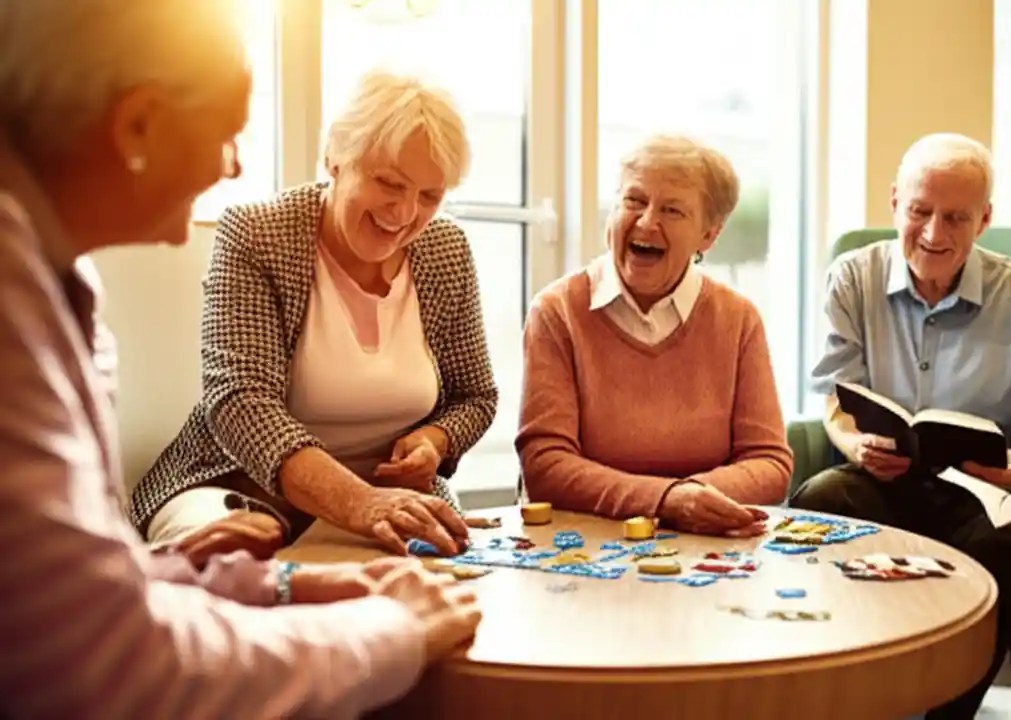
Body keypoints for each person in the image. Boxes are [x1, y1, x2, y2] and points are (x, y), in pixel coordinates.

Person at [0, 1, 479, 717]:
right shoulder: (16, 290)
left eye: (429, 195)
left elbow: (67, 589)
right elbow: (103, 660)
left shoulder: (48, 263)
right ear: (139, 127)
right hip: (239, 484)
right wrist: (392, 630)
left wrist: (261, 583)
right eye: (227, 134)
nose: (235, 163)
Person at [128, 69, 498, 558]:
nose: (405, 213)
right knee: (236, 557)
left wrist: (435, 440)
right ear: (335, 158)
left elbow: (476, 396)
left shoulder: (445, 249)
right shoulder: (257, 233)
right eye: (389, 182)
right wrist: (358, 502)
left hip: (389, 503)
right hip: (237, 486)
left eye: (430, 196)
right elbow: (239, 400)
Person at [792, 133, 1011, 718]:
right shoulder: (853, 277)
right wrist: (856, 445)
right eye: (919, 211)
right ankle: (837, 699)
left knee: (1001, 543)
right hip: (880, 479)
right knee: (820, 501)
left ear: (984, 219)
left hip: (983, 494)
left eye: (956, 218)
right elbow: (836, 398)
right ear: (895, 203)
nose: (934, 233)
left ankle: (950, 712)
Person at [516, 135, 792, 536]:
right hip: (581, 543)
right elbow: (545, 465)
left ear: (709, 236)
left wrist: (696, 501)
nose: (646, 222)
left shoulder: (738, 319)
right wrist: (668, 500)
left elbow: (770, 463)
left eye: (672, 210)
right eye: (634, 200)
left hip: (708, 541)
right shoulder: (557, 311)